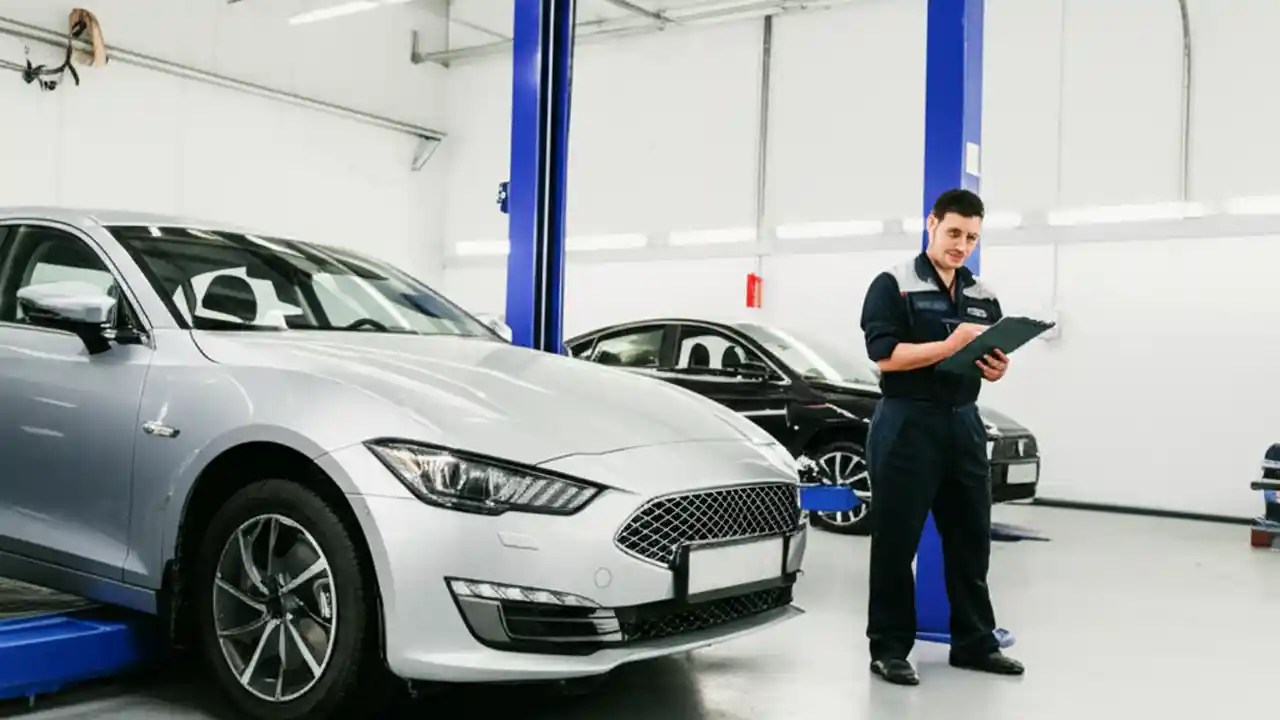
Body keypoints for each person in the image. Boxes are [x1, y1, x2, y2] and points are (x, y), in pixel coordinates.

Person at [859, 188, 1025, 686]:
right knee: (896, 542)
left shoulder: (983, 294)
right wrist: (947, 345)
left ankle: (974, 642)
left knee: (971, 539)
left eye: (971, 237)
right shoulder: (893, 283)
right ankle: (889, 649)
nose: (961, 245)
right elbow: (884, 355)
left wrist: (996, 367)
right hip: (907, 421)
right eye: (954, 232)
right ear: (931, 223)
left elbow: (985, 356)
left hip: (963, 421)